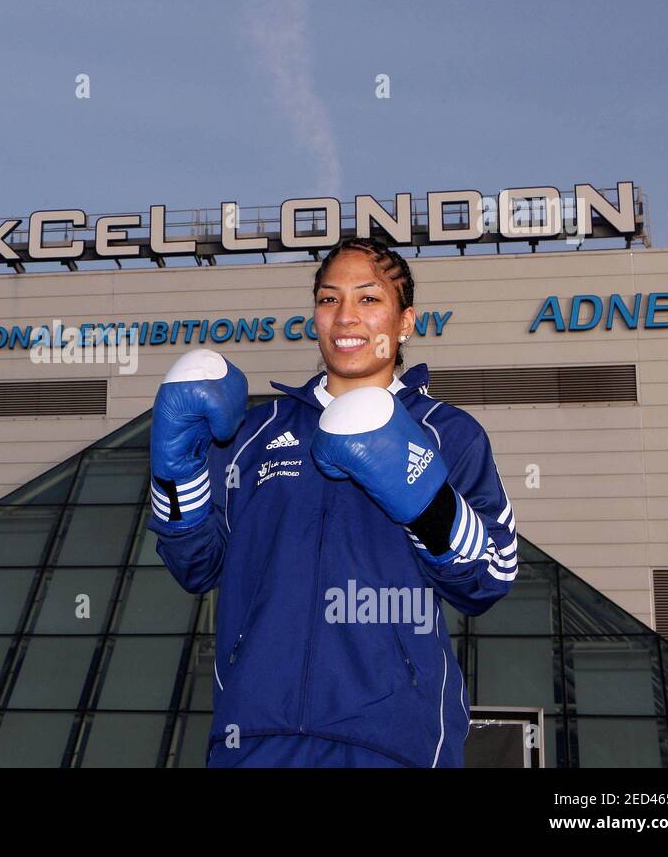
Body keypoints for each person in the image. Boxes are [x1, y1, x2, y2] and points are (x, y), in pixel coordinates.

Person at [148, 237, 518, 767]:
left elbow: (492, 576)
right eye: (329, 299)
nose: (346, 317)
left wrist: (426, 503)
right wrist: (174, 469)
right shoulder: (257, 432)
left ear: (405, 321)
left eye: (368, 299)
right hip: (254, 736)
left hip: (395, 740)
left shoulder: (448, 433)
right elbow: (196, 564)